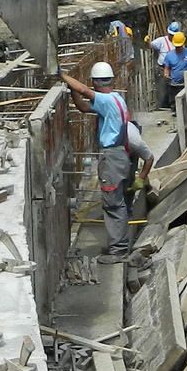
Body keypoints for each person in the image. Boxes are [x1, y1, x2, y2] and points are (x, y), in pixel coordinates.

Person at [61, 60, 150, 262]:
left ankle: (118, 251)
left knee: (113, 204)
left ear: (95, 82)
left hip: (112, 158)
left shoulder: (106, 100)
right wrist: (71, 90)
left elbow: (84, 91)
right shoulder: (116, 98)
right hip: (121, 157)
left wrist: (62, 75)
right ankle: (120, 244)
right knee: (121, 202)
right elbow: (83, 107)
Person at [159, 30, 187, 110]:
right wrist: (166, 74)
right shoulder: (169, 55)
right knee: (174, 106)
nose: (178, 47)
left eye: (179, 46)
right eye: (176, 46)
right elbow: (167, 68)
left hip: (186, 85)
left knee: (186, 105)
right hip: (173, 85)